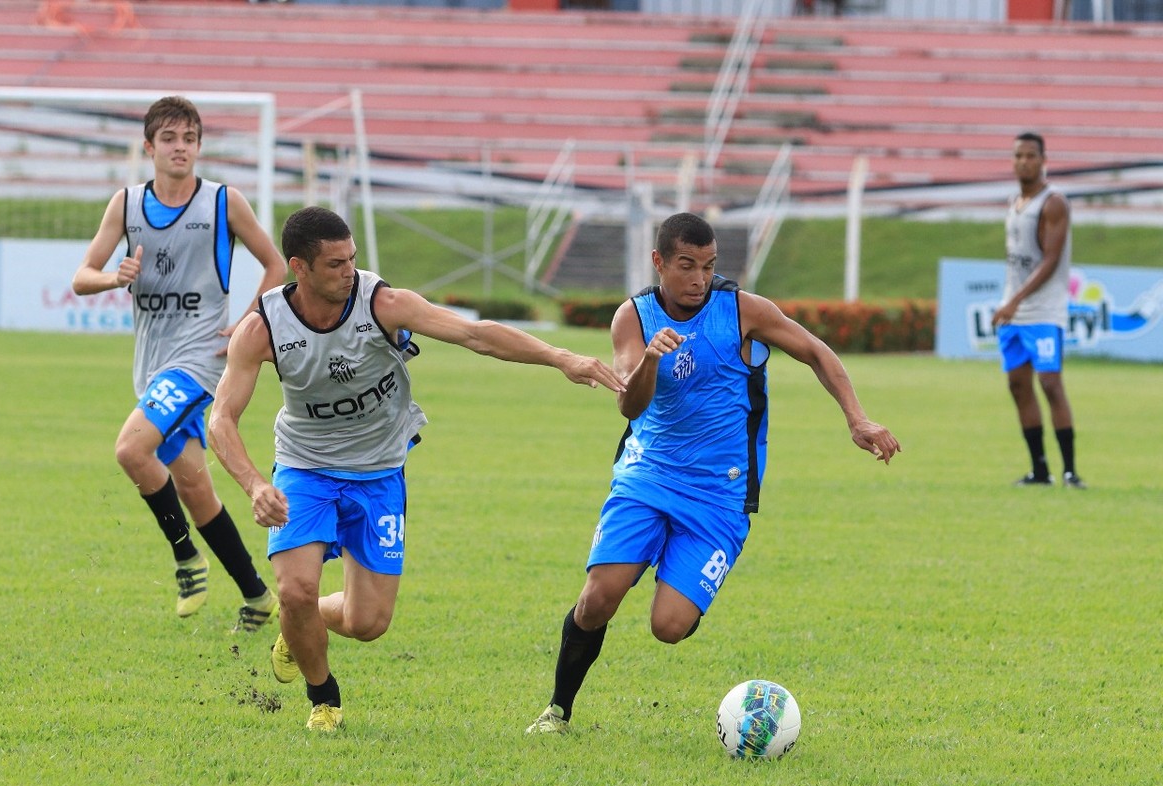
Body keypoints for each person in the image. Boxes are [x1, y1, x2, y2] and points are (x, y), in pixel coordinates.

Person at [207, 205, 625, 732]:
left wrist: (562, 357)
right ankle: (324, 700)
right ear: (299, 267)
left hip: (380, 470)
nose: (349, 271)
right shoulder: (262, 329)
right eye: (335, 264)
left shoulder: (384, 304)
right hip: (303, 468)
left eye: (352, 259)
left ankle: (297, 628)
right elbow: (221, 418)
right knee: (295, 591)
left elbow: (476, 334)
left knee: (367, 622)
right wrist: (253, 485)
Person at [525, 212, 901, 736]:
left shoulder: (743, 310)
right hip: (648, 476)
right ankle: (558, 711)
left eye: (708, 265)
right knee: (597, 599)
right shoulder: (633, 317)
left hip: (720, 494)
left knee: (668, 626)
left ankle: (679, 577)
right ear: (659, 262)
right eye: (686, 265)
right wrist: (651, 361)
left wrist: (857, 418)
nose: (699, 278)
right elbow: (629, 405)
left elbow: (816, 351)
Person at [73, 95, 289, 630]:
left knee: (130, 449)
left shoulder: (223, 202)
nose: (180, 148)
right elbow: (82, 277)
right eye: (169, 139)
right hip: (152, 364)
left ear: (198, 147)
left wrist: (246, 321)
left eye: (189, 139)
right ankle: (258, 595)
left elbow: (275, 265)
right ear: (149, 147)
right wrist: (114, 277)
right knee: (195, 489)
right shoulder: (126, 204)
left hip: (199, 360)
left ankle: (186, 558)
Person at [991, 132, 1085, 488]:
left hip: (1044, 312)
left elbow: (1050, 260)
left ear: (1044, 160)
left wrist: (1016, 300)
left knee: (1050, 384)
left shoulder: (1053, 202)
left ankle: (1070, 471)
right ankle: (1040, 471)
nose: (1024, 162)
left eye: (1031, 155)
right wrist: (1009, 301)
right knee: (1018, 386)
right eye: (1018, 155)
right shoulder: (1015, 202)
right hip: (1013, 313)